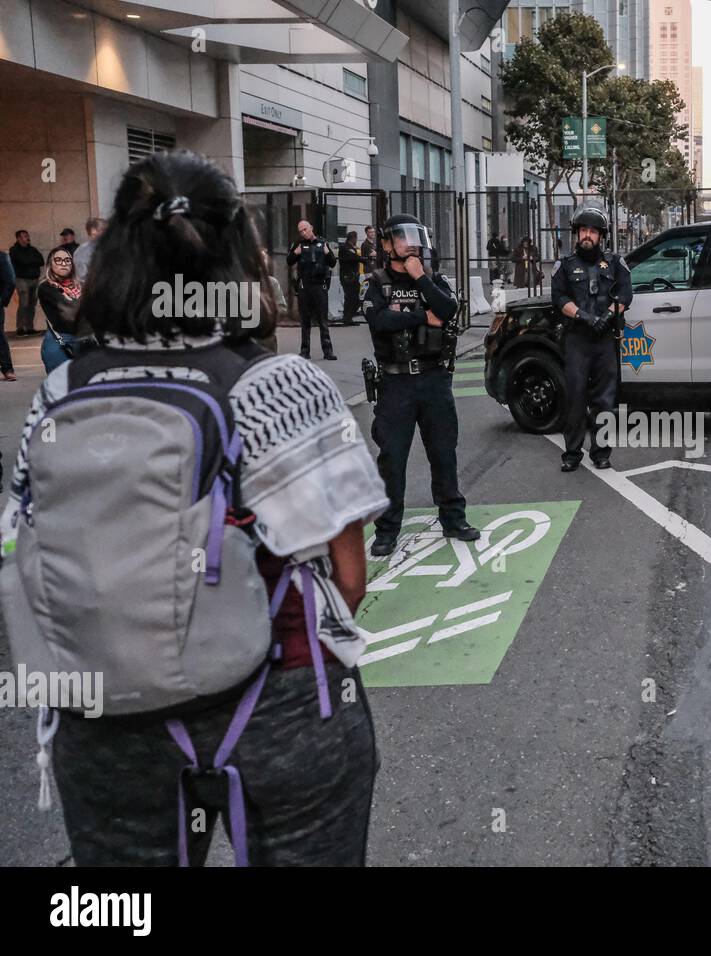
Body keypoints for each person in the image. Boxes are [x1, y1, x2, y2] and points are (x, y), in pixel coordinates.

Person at [2, 149, 388, 865]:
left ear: (112, 256)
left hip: (104, 714)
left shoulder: (61, 394)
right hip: (280, 704)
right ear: (242, 260)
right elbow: (350, 579)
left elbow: (26, 534)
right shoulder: (281, 385)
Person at [363, 214, 480, 557]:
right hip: (396, 382)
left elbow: (448, 309)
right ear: (387, 244)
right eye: (401, 238)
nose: (410, 244)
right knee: (393, 459)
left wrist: (420, 278)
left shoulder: (432, 278)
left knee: (443, 453)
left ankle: (454, 519)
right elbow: (379, 320)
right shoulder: (377, 282)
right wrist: (419, 315)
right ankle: (387, 530)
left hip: (433, 379)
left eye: (414, 238)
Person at [550, 207, 633, 471]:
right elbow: (559, 299)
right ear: (576, 234)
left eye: (593, 232)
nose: (587, 236)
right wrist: (584, 317)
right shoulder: (564, 266)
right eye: (583, 231)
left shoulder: (616, 263)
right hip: (577, 339)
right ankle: (572, 453)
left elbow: (625, 295)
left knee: (605, 399)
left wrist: (607, 316)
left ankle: (601, 453)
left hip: (605, 340)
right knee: (575, 397)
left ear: (601, 236)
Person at [287, 220, 337, 360]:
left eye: (305, 229)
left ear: (311, 228)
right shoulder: (298, 244)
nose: (303, 232)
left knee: (323, 320)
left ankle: (328, 351)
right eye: (301, 230)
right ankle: (305, 351)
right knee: (305, 321)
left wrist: (327, 253)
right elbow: (289, 261)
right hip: (305, 286)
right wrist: (295, 253)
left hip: (319, 285)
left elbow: (332, 262)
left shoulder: (322, 242)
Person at [36, 247, 84, 372]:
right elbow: (71, 312)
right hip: (60, 342)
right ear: (50, 264)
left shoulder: (81, 286)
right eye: (58, 260)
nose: (63, 263)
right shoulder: (46, 287)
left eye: (67, 260)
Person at [9, 230, 44, 336]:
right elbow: (22, 261)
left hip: (34, 279)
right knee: (24, 303)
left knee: (32, 304)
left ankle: (29, 327)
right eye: (24, 236)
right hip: (22, 279)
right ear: (18, 238)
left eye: (27, 236)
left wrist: (29, 261)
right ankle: (20, 328)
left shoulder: (33, 250)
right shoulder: (14, 250)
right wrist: (31, 261)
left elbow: (41, 261)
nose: (27, 238)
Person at [339, 230, 363, 326]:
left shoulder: (352, 247)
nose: (356, 240)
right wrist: (363, 259)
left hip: (354, 276)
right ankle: (346, 318)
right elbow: (354, 257)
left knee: (356, 297)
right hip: (347, 276)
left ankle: (350, 317)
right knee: (350, 297)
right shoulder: (345, 247)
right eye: (355, 238)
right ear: (352, 239)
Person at [72, 217, 107, 283]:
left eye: (101, 232)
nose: (98, 236)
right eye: (94, 234)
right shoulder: (82, 251)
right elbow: (83, 277)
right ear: (90, 233)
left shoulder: (115, 247)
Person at [0, 249, 14, 379]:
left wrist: (2, 301)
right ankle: (7, 369)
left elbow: (10, 281)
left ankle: (7, 368)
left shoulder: (2, 257)